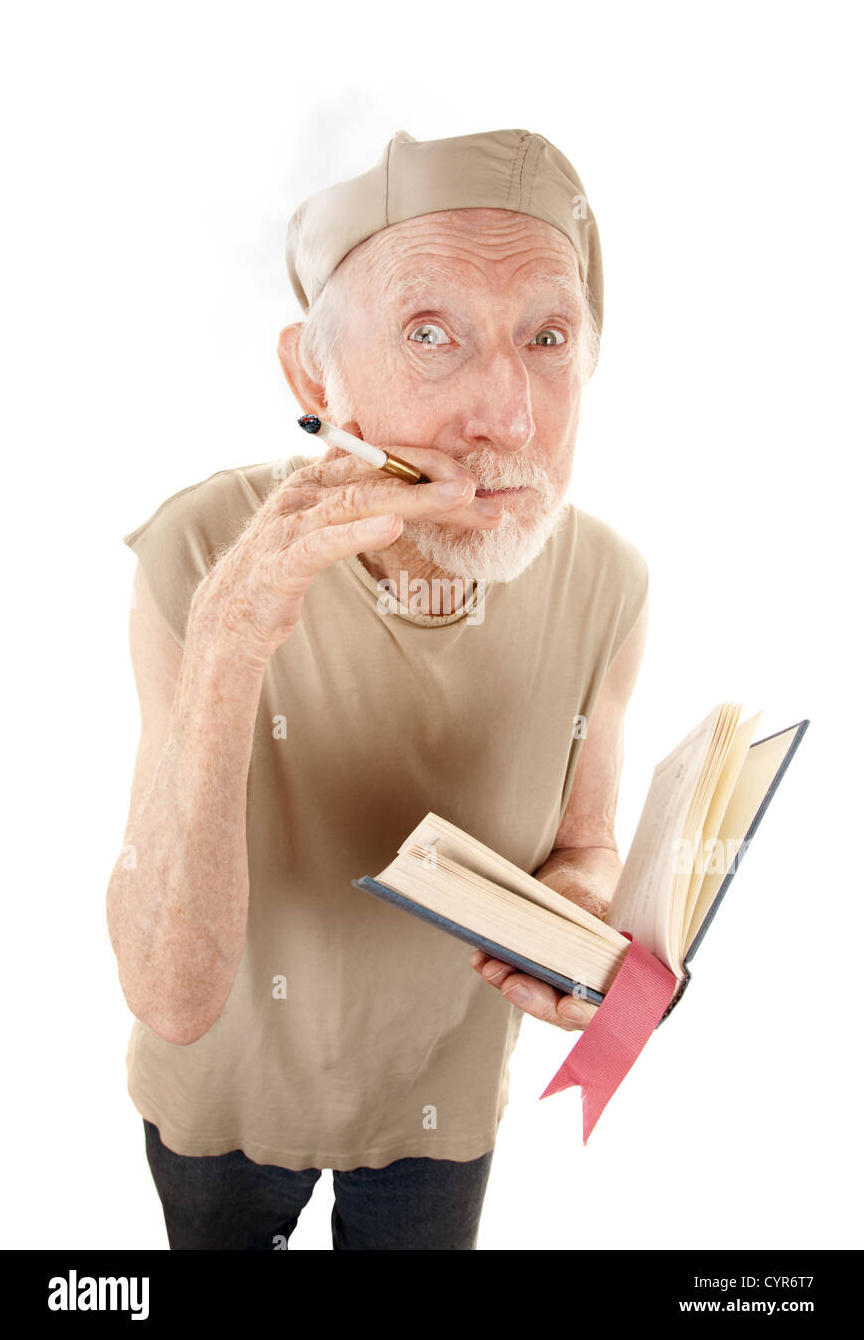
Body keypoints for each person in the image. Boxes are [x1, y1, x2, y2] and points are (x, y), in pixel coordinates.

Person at [106, 128, 649, 1250]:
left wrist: (581, 920)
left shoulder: (607, 580)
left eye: (546, 336)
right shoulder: (198, 548)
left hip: (433, 1113)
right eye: (429, 334)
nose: (508, 414)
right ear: (314, 376)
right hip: (224, 1109)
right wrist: (226, 639)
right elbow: (166, 991)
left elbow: (585, 839)